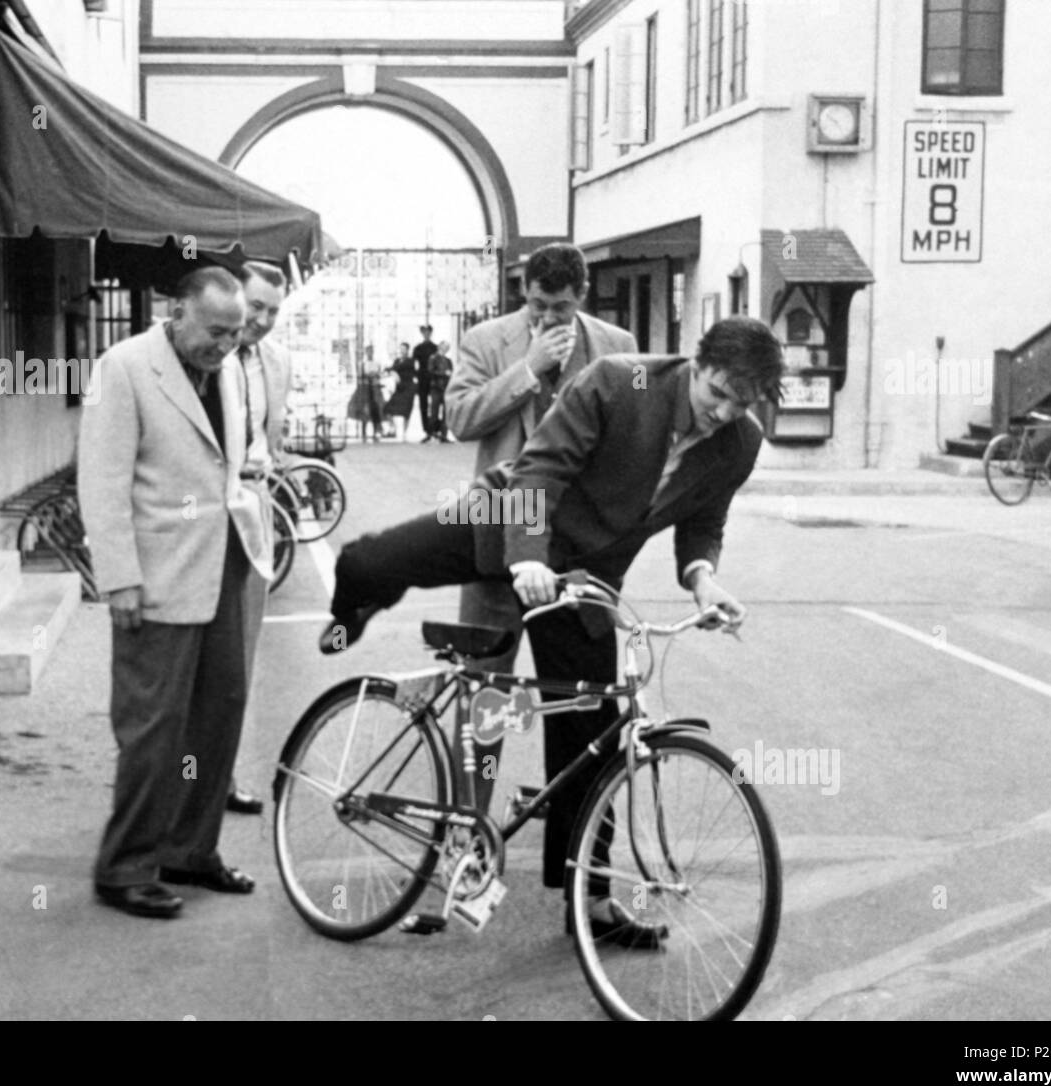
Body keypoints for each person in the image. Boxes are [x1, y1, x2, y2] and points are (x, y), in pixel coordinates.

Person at [318, 316, 785, 939]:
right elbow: (541, 468)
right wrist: (529, 556)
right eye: (717, 393)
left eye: (741, 402)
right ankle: (357, 606)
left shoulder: (739, 444)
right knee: (371, 562)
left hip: (584, 578)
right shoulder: (621, 382)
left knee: (591, 737)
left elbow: (704, 520)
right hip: (509, 517)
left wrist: (702, 576)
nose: (724, 412)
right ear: (694, 365)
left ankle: (588, 900)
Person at [78, 266, 274, 919]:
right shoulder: (125, 367)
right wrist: (119, 578)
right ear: (177, 311)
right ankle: (125, 866)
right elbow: (101, 486)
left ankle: (191, 850)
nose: (225, 344)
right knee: (153, 726)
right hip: (154, 577)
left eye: (235, 332)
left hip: (224, 566)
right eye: (215, 331)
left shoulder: (228, 369)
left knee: (220, 711)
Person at [444, 243, 635, 808]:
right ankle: (468, 827)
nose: (547, 317)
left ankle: (572, 836)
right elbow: (459, 418)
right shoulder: (488, 341)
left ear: (582, 295)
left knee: (581, 701)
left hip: (575, 553)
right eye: (536, 304)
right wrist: (529, 369)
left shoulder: (616, 347)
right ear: (522, 293)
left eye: (560, 306)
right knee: (485, 693)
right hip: (499, 540)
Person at [225, 260, 292, 817]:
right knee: (198, 653)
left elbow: (273, 436)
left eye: (273, 310)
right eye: (256, 306)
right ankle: (182, 778)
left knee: (242, 654)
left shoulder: (276, 362)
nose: (263, 320)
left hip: (256, 506)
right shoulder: (207, 351)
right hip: (205, 511)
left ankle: (219, 775)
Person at [348, 345, 387, 442]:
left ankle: (375, 432)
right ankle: (364, 433)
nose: (370, 353)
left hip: (374, 389)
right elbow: (360, 377)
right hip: (365, 389)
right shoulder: (363, 364)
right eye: (368, 351)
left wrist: (375, 377)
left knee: (375, 410)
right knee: (364, 410)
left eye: (371, 351)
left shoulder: (377, 363)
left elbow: (379, 375)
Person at [382, 342, 419, 440]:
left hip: (409, 388)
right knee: (388, 408)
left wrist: (415, 386)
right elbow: (392, 369)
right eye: (401, 348)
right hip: (399, 388)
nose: (402, 350)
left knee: (406, 410)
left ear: (408, 350)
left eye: (404, 348)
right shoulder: (397, 360)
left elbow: (416, 372)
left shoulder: (412, 360)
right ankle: (392, 428)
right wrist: (391, 372)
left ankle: (404, 433)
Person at [412, 324, 438, 441]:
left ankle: (434, 428)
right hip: (422, 377)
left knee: (434, 404)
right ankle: (426, 429)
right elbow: (414, 364)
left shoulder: (435, 348)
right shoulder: (418, 348)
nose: (426, 334)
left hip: (433, 377)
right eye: (424, 332)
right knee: (423, 404)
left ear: (431, 333)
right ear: (422, 333)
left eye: (428, 332)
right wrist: (416, 376)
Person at [426, 340, 454, 442]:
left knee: (446, 412)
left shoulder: (448, 361)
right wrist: (444, 373)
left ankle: (444, 435)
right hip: (436, 388)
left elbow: (451, 373)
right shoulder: (433, 358)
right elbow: (430, 371)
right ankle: (432, 434)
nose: (446, 348)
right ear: (440, 346)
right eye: (445, 346)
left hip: (446, 388)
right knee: (434, 411)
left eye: (448, 347)